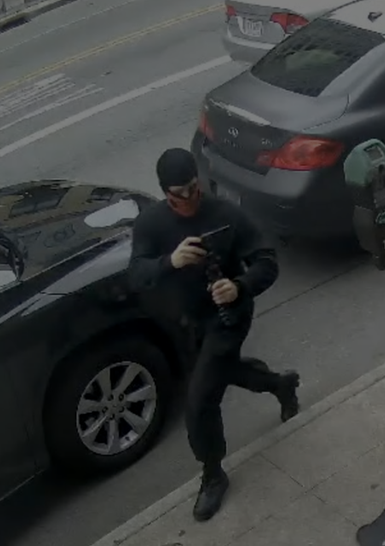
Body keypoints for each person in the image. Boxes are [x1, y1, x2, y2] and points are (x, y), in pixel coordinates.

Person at [128, 148, 300, 522]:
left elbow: (266, 260)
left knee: (200, 400)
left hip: (228, 319)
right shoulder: (152, 225)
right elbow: (137, 274)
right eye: (179, 195)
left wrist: (239, 286)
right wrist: (169, 262)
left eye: (194, 189)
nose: (190, 200)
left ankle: (212, 474)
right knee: (225, 372)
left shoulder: (226, 215)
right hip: (186, 324)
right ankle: (280, 385)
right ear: (165, 193)